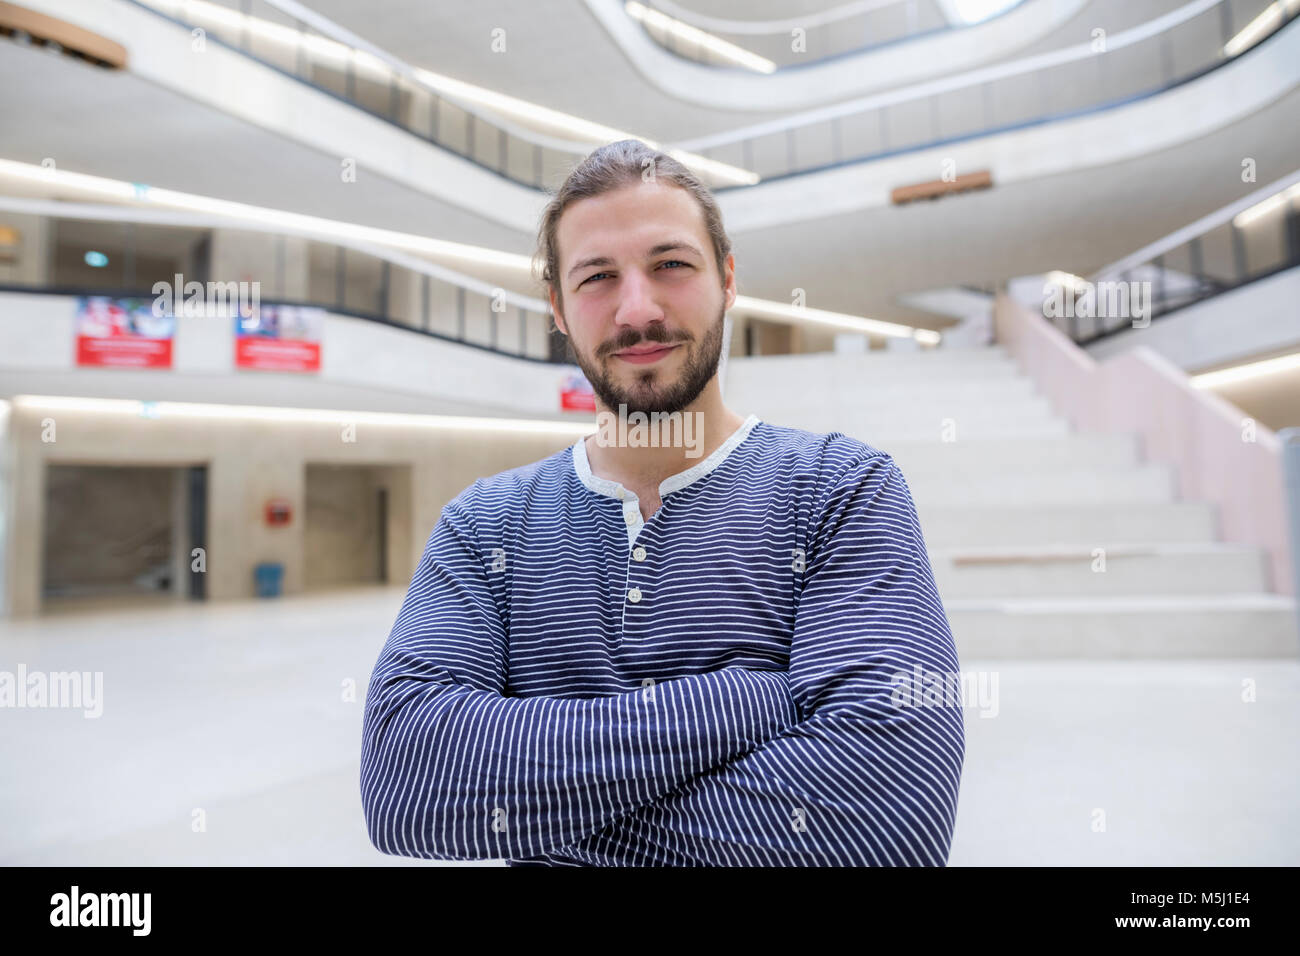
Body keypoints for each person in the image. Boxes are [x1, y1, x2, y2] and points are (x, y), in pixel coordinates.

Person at [360, 139, 965, 866]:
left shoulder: (841, 490)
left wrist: (545, 819)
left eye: (670, 265)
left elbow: (888, 824)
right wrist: (745, 704)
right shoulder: (485, 525)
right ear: (556, 306)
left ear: (728, 278)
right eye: (596, 278)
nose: (637, 309)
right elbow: (407, 782)